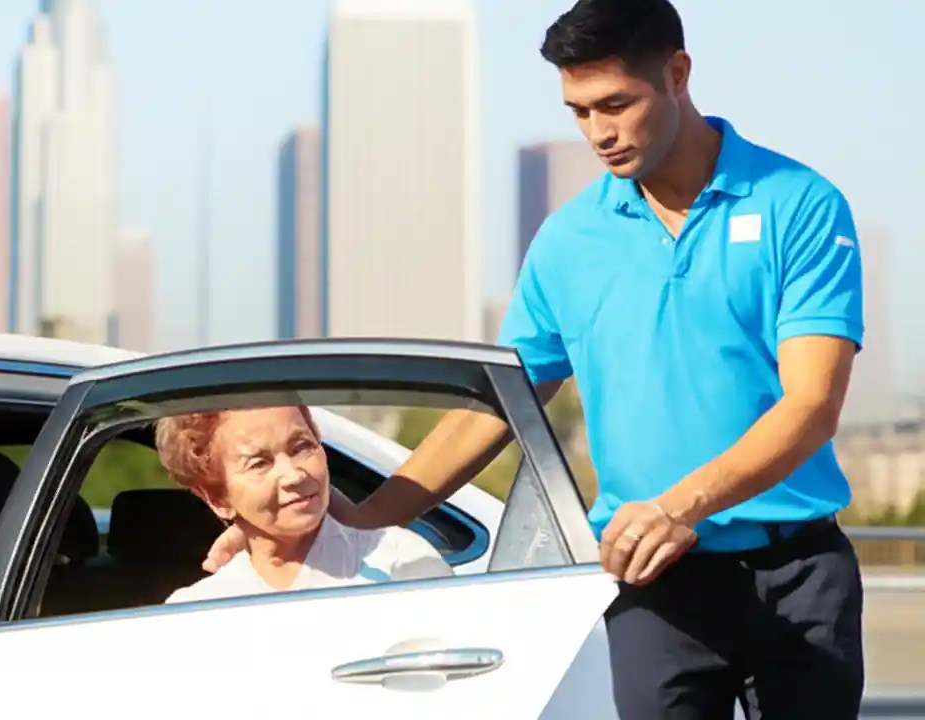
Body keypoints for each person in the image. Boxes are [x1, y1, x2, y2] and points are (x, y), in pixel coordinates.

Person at [205, 1, 866, 717]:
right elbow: (497, 407)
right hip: (649, 584)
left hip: (799, 571)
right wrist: (361, 521)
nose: (598, 133)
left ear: (678, 74)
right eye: (578, 110)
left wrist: (683, 505)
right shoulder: (568, 241)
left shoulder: (797, 204)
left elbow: (812, 406)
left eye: (616, 104)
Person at [156, 404, 452, 604]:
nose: (294, 474)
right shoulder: (198, 608)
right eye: (259, 463)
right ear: (217, 498)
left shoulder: (398, 562)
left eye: (302, 447)